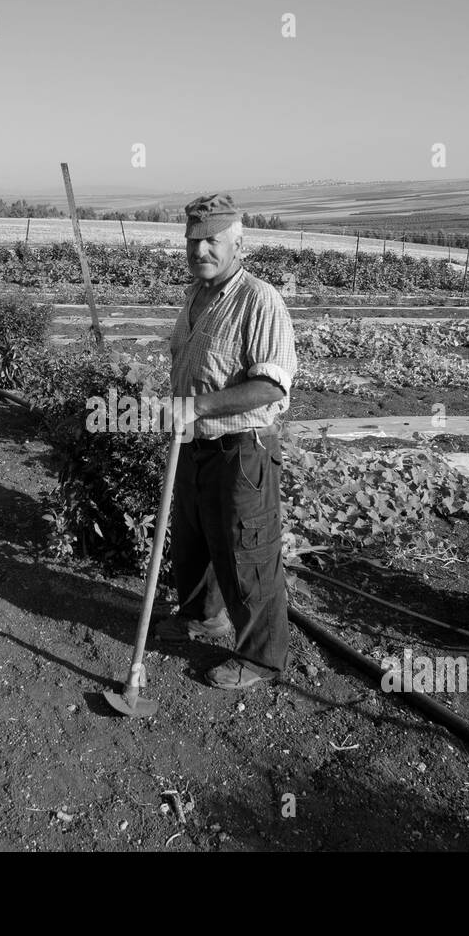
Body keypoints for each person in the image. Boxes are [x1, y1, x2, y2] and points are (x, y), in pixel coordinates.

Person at [152, 193, 298, 690]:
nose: (201, 251)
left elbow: (271, 385)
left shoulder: (260, 300)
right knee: (195, 540)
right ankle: (202, 617)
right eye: (193, 241)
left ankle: (261, 657)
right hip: (194, 444)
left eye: (212, 240)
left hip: (242, 449)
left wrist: (198, 406)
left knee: (247, 552)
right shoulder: (194, 296)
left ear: (238, 242)